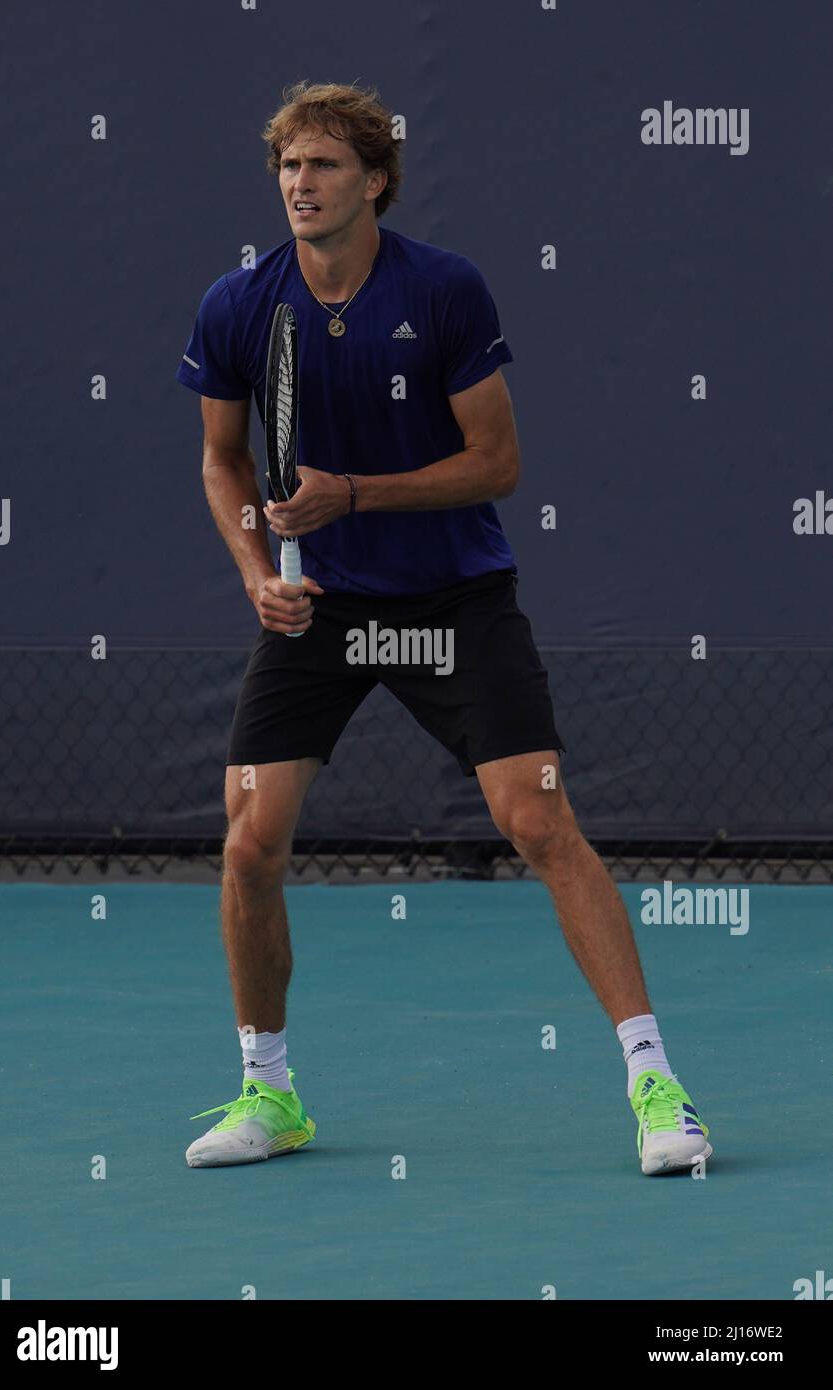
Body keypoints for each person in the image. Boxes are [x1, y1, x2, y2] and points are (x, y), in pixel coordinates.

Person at [175, 80, 712, 1177]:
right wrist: (251, 574)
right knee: (246, 841)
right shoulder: (238, 304)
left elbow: (497, 465)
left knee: (536, 819)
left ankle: (656, 1084)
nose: (299, 184)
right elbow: (224, 462)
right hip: (316, 609)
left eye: (322, 166)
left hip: (454, 599)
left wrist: (350, 496)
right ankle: (267, 1092)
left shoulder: (446, 290)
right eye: (287, 167)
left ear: (373, 180)